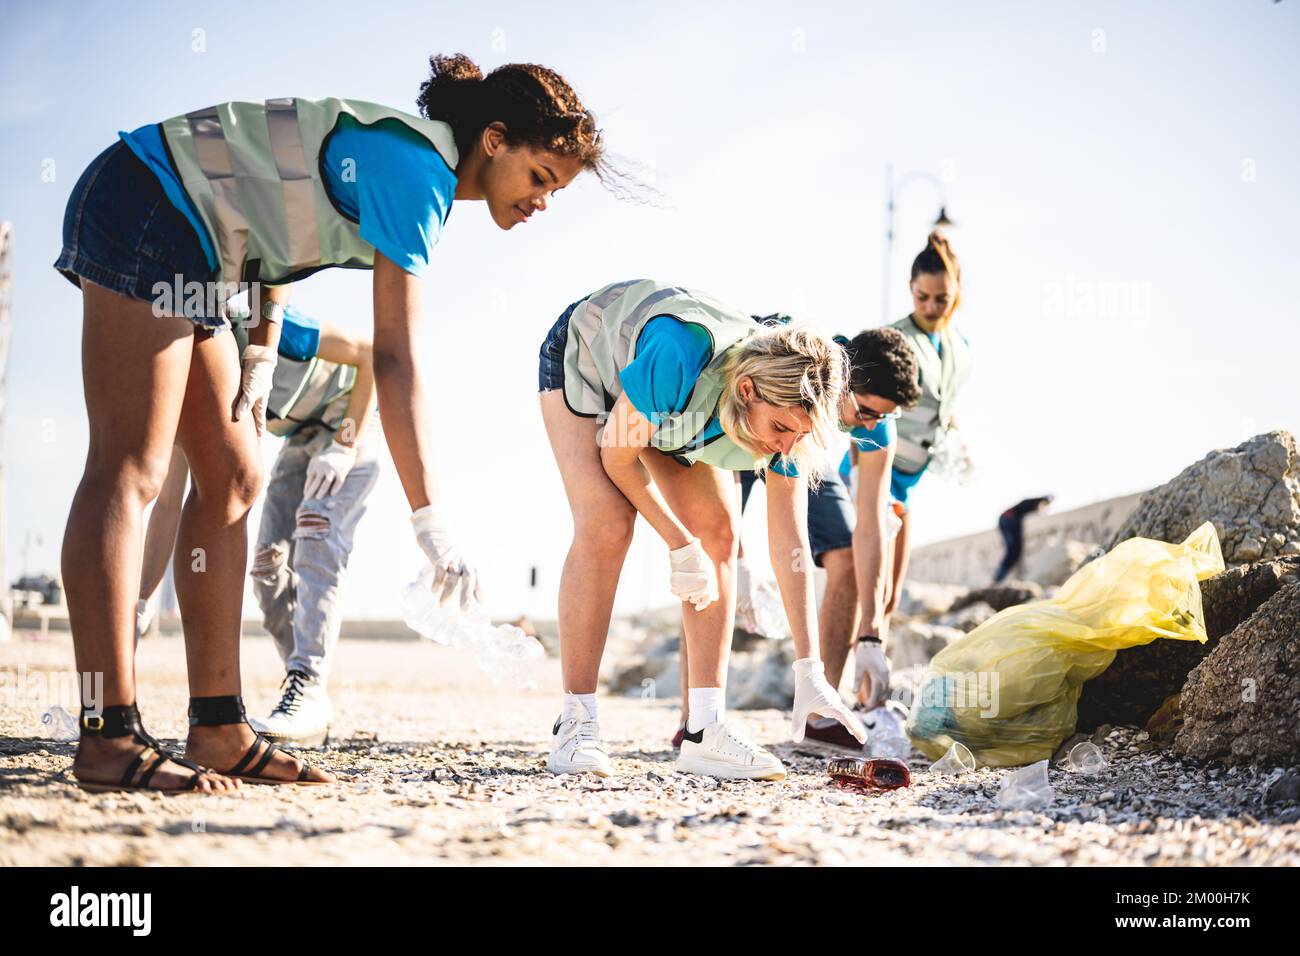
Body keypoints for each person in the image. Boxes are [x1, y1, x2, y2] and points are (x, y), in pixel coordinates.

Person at [55, 53, 606, 794]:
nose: (543, 203)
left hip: (203, 246)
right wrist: (430, 520)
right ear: (496, 139)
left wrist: (257, 350)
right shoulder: (418, 174)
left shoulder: (418, 172)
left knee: (235, 472)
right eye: (542, 178)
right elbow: (395, 360)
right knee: (134, 465)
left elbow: (266, 223)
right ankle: (106, 732)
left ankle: (217, 725)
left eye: (558, 193)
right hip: (145, 198)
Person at [537, 279, 867, 781]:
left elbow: (791, 543)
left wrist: (811, 670)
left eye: (797, 436)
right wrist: (677, 544)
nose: (785, 448)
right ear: (747, 390)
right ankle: (577, 723)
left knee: (719, 532)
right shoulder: (679, 352)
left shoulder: (790, 421)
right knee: (608, 524)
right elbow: (618, 456)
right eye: (779, 430)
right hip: (593, 363)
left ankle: (704, 731)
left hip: (671, 408)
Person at [135, 303, 379, 746]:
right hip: (302, 439)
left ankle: (308, 678)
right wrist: (141, 603)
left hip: (350, 426)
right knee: (267, 570)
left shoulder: (268, 326)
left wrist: (344, 444)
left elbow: (371, 354)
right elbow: (168, 505)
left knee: (315, 532)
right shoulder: (186, 388)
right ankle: (308, 686)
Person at [716, 324, 921, 753]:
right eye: (866, 412)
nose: (871, 424)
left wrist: (872, 635)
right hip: (750, 422)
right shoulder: (806, 376)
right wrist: (740, 562)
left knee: (845, 554)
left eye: (882, 417)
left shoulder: (876, 426)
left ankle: (818, 714)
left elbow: (870, 525)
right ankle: (694, 718)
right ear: (843, 385)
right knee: (717, 550)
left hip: (800, 444)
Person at [884, 231, 972, 638]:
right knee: (869, 586)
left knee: (891, 594)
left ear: (956, 293)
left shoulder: (959, 346)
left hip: (911, 479)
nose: (932, 307)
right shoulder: (895, 339)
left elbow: (943, 401)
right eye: (923, 297)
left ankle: (868, 695)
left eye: (942, 298)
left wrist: (955, 434)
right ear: (910, 290)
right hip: (876, 471)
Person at [994, 496, 1053, 582]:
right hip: (1007, 519)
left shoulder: (1028, 504)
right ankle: (998, 577)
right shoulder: (1031, 503)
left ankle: (999, 577)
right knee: (1013, 551)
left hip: (1004, 519)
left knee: (1013, 551)